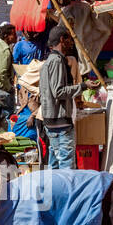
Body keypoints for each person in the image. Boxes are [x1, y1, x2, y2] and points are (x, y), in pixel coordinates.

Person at [39, 26, 82, 170]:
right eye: (69, 38)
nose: (71, 42)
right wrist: (83, 86)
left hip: (51, 121)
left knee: (55, 163)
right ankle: (65, 192)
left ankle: (53, 191)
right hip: (60, 122)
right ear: (62, 40)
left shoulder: (49, 61)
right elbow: (59, 92)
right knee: (66, 164)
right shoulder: (57, 61)